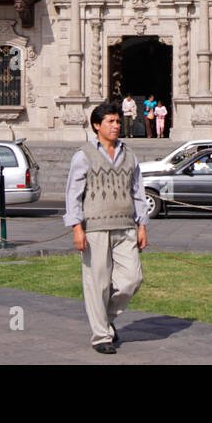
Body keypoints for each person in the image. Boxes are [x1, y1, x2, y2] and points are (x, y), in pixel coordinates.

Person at [63, 102, 149, 355]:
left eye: (117, 121)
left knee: (132, 279)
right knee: (97, 282)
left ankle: (106, 318)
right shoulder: (83, 155)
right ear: (96, 126)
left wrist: (142, 224)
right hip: (95, 228)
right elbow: (73, 195)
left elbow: (138, 192)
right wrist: (76, 228)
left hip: (125, 226)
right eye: (110, 121)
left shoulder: (129, 154)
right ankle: (101, 335)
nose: (116, 126)